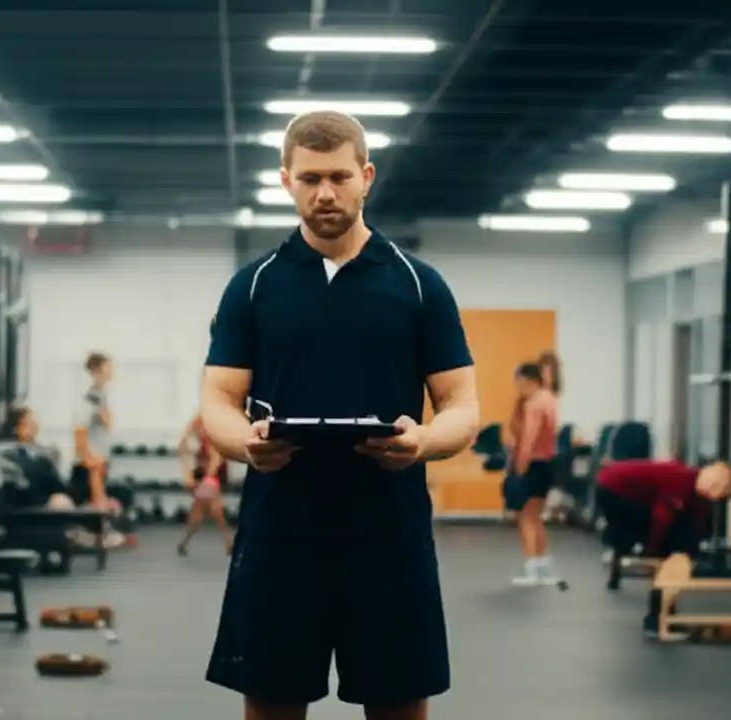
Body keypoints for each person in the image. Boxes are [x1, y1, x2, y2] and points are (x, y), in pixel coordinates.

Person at [200, 110, 480, 720]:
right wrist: (244, 444)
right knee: (272, 704)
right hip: (282, 527)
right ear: (286, 181)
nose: (324, 192)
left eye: (338, 176)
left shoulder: (418, 285)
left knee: (398, 704)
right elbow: (218, 403)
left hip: (387, 527)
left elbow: (463, 407)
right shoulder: (253, 288)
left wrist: (425, 440)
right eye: (309, 179)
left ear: (366, 177)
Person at [595, 458, 731, 590]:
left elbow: (698, 514)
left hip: (612, 481)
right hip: (614, 489)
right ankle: (617, 537)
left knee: (675, 526)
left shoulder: (694, 479)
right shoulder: (681, 482)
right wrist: (653, 547)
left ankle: (621, 542)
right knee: (660, 531)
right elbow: (663, 516)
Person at [504, 362, 560, 587]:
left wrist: (519, 467)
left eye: (518, 383)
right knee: (535, 516)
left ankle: (532, 569)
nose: (517, 388)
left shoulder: (534, 403)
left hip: (532, 464)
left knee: (525, 518)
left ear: (527, 381)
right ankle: (542, 567)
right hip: (547, 464)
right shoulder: (550, 398)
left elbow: (528, 437)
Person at [176, 413, 234, 556]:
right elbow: (184, 446)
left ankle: (229, 543)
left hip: (209, 479)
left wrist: (206, 475)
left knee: (208, 513)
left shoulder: (212, 440)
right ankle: (229, 543)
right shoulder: (203, 442)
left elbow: (217, 459)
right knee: (203, 513)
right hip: (207, 479)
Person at [74, 352, 114, 509]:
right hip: (92, 462)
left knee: (101, 502)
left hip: (101, 457)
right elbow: (79, 429)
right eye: (107, 369)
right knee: (96, 504)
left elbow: (108, 423)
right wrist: (86, 458)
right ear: (95, 372)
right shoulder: (88, 399)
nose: (110, 373)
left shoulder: (102, 396)